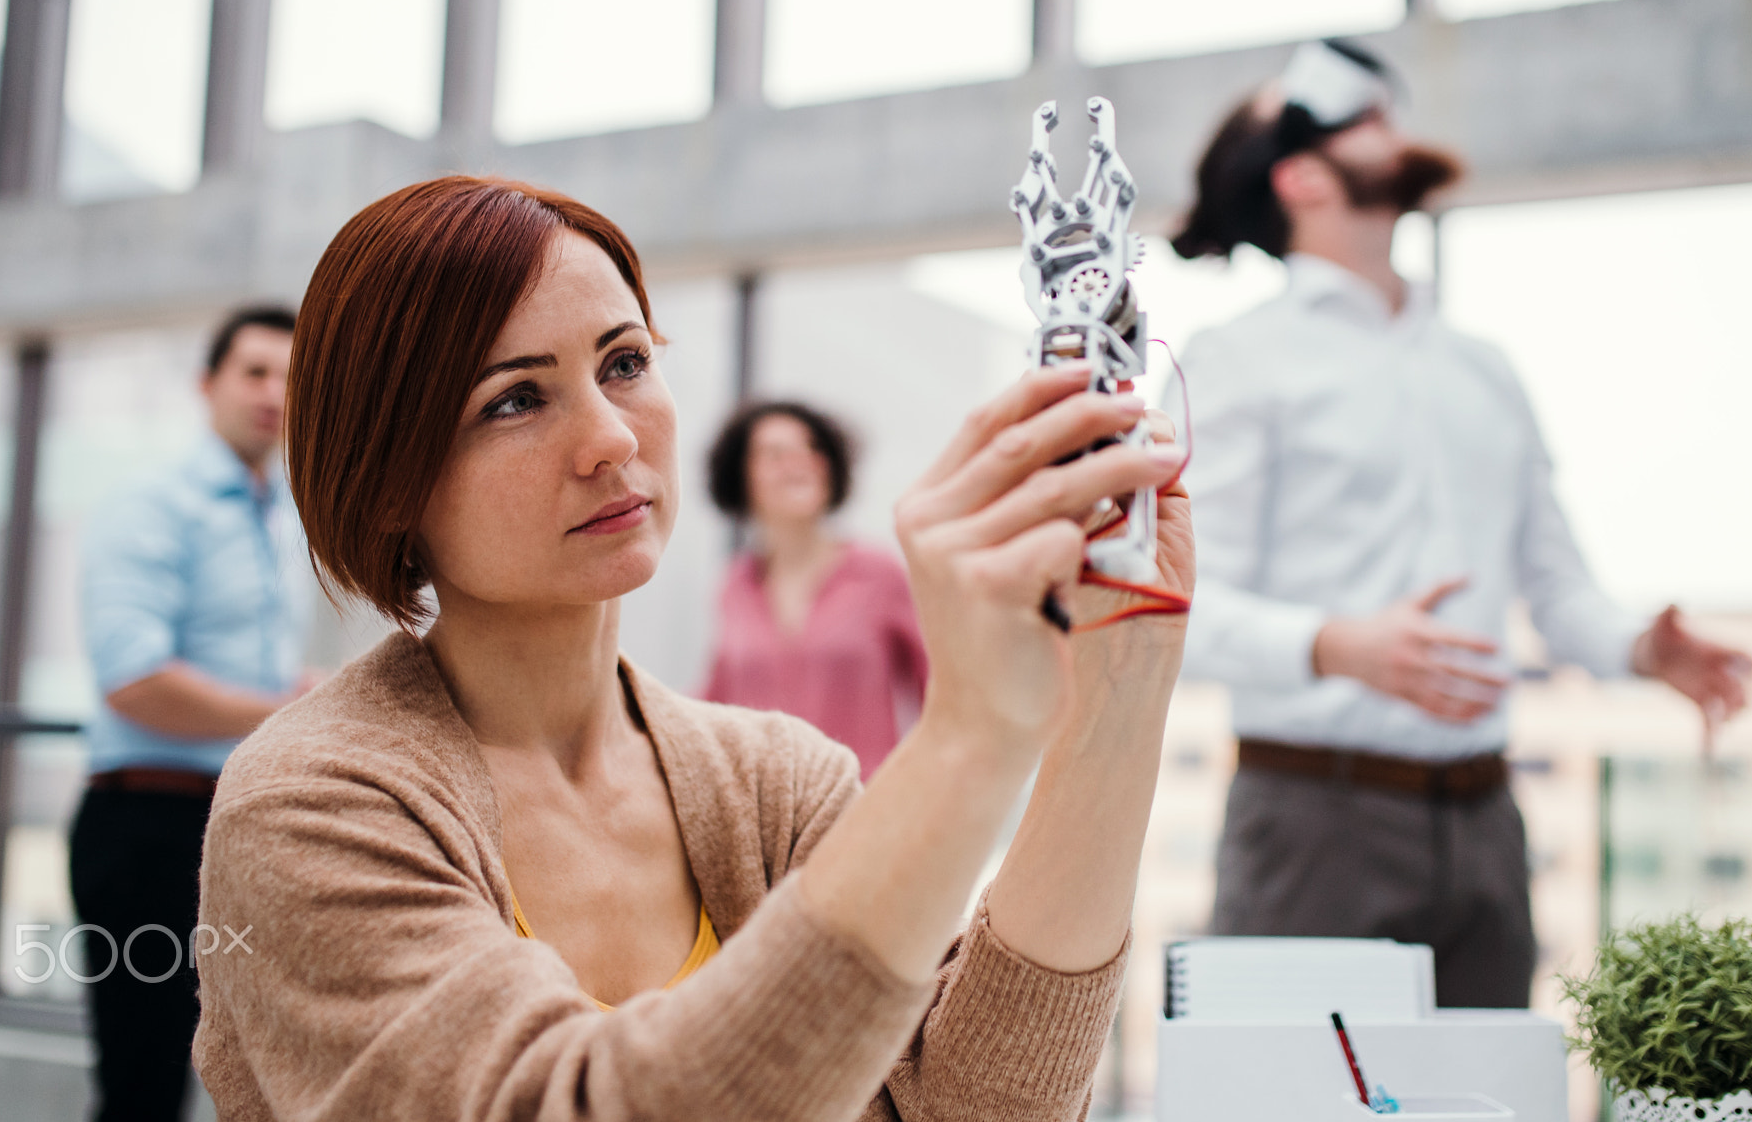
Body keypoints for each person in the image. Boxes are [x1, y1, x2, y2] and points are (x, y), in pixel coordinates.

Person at [192, 176, 1196, 1122]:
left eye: (624, 364)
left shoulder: (777, 780)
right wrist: (967, 739)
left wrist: (1123, 675)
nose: (612, 440)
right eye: (514, 399)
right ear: (386, 478)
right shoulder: (307, 805)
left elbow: (969, 1105)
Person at [1168, 39, 1752, 1009]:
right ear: (1301, 176)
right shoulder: (1232, 361)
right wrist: (1333, 646)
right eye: (1364, 119)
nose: (1393, 129)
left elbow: (1554, 586)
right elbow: (1175, 604)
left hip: (1484, 823)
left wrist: (1638, 650)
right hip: (1312, 825)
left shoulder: (1482, 369)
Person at [72, 303, 319, 1121]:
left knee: (249, 1078)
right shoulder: (153, 503)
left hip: (237, 822)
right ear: (206, 383)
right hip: (145, 825)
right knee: (143, 1081)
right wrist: (285, 710)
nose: (273, 392)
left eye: (290, 376)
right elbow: (134, 678)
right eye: (254, 371)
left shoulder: (280, 511)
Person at [703, 401, 928, 777]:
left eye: (812, 448)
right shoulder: (735, 584)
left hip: (863, 814)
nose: (800, 461)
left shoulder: (879, 573)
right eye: (776, 453)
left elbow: (938, 689)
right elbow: (717, 703)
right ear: (743, 479)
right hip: (762, 819)